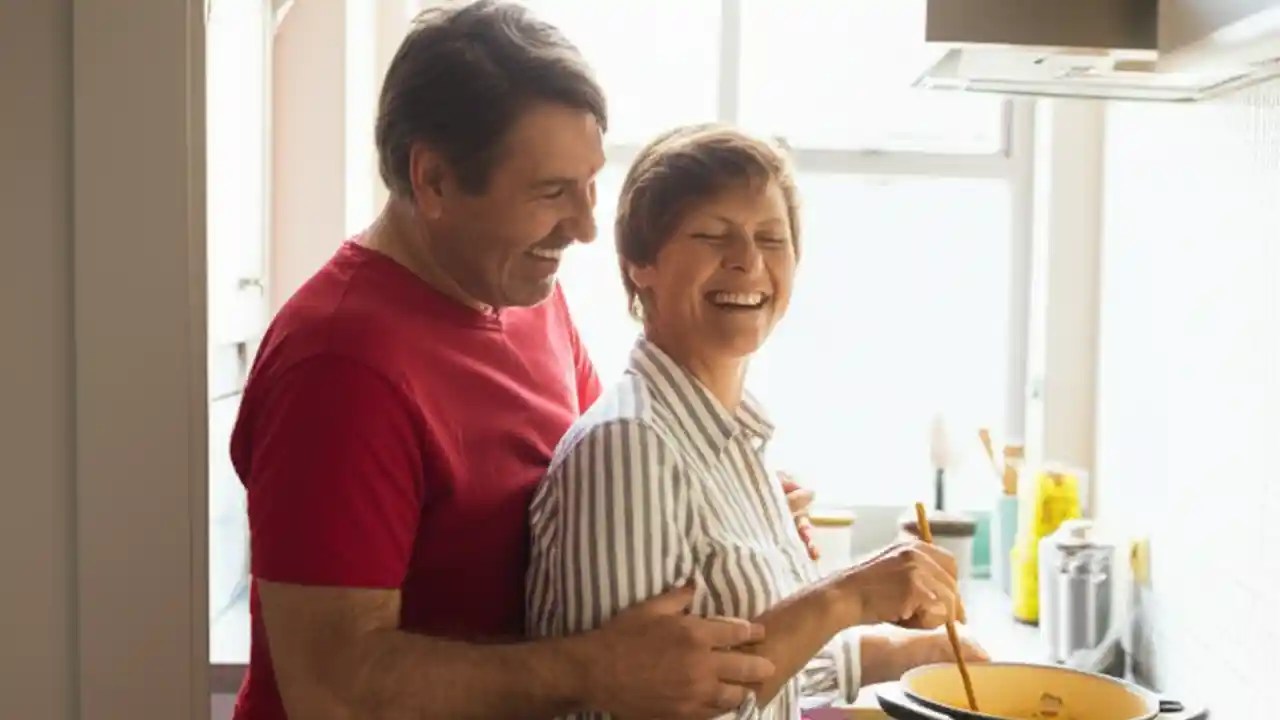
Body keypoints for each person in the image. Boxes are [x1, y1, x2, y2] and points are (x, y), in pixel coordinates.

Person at [228, 3, 810, 719]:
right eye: (550, 192)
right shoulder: (339, 367)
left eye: (590, 181)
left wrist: (726, 513)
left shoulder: (525, 293)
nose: (588, 225)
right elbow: (335, 688)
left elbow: (595, 478)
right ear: (434, 180)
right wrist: (591, 669)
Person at [527, 125, 989, 718]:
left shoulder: (732, 442)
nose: (748, 262)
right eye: (713, 236)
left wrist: (902, 651)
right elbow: (647, 705)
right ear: (641, 264)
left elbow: (757, 659)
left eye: (771, 239)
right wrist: (845, 598)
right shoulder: (629, 447)